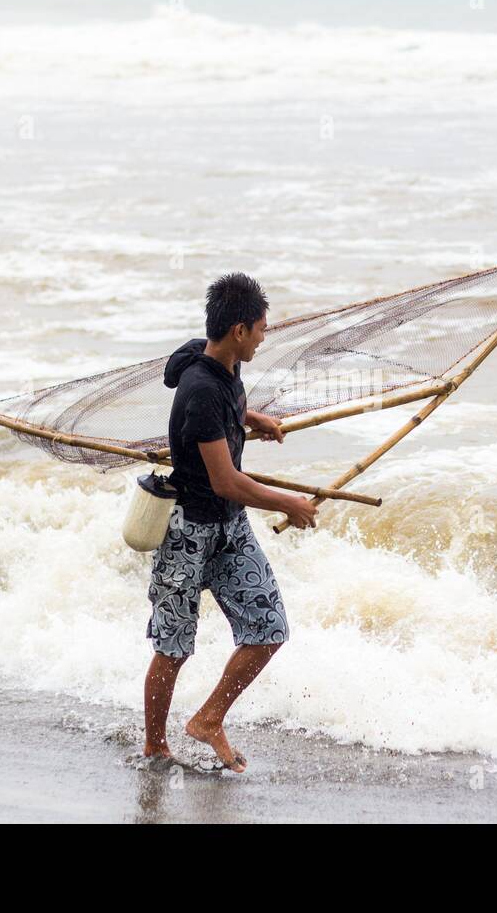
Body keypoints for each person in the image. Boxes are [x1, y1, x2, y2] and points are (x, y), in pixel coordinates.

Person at [142, 272, 319, 772]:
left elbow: (226, 402)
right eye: (261, 329)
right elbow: (225, 481)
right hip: (189, 532)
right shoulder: (201, 391)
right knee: (173, 646)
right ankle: (155, 747)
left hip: (230, 528)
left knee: (268, 628)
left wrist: (251, 416)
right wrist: (289, 502)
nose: (264, 337)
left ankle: (208, 718)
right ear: (238, 330)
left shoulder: (218, 360)